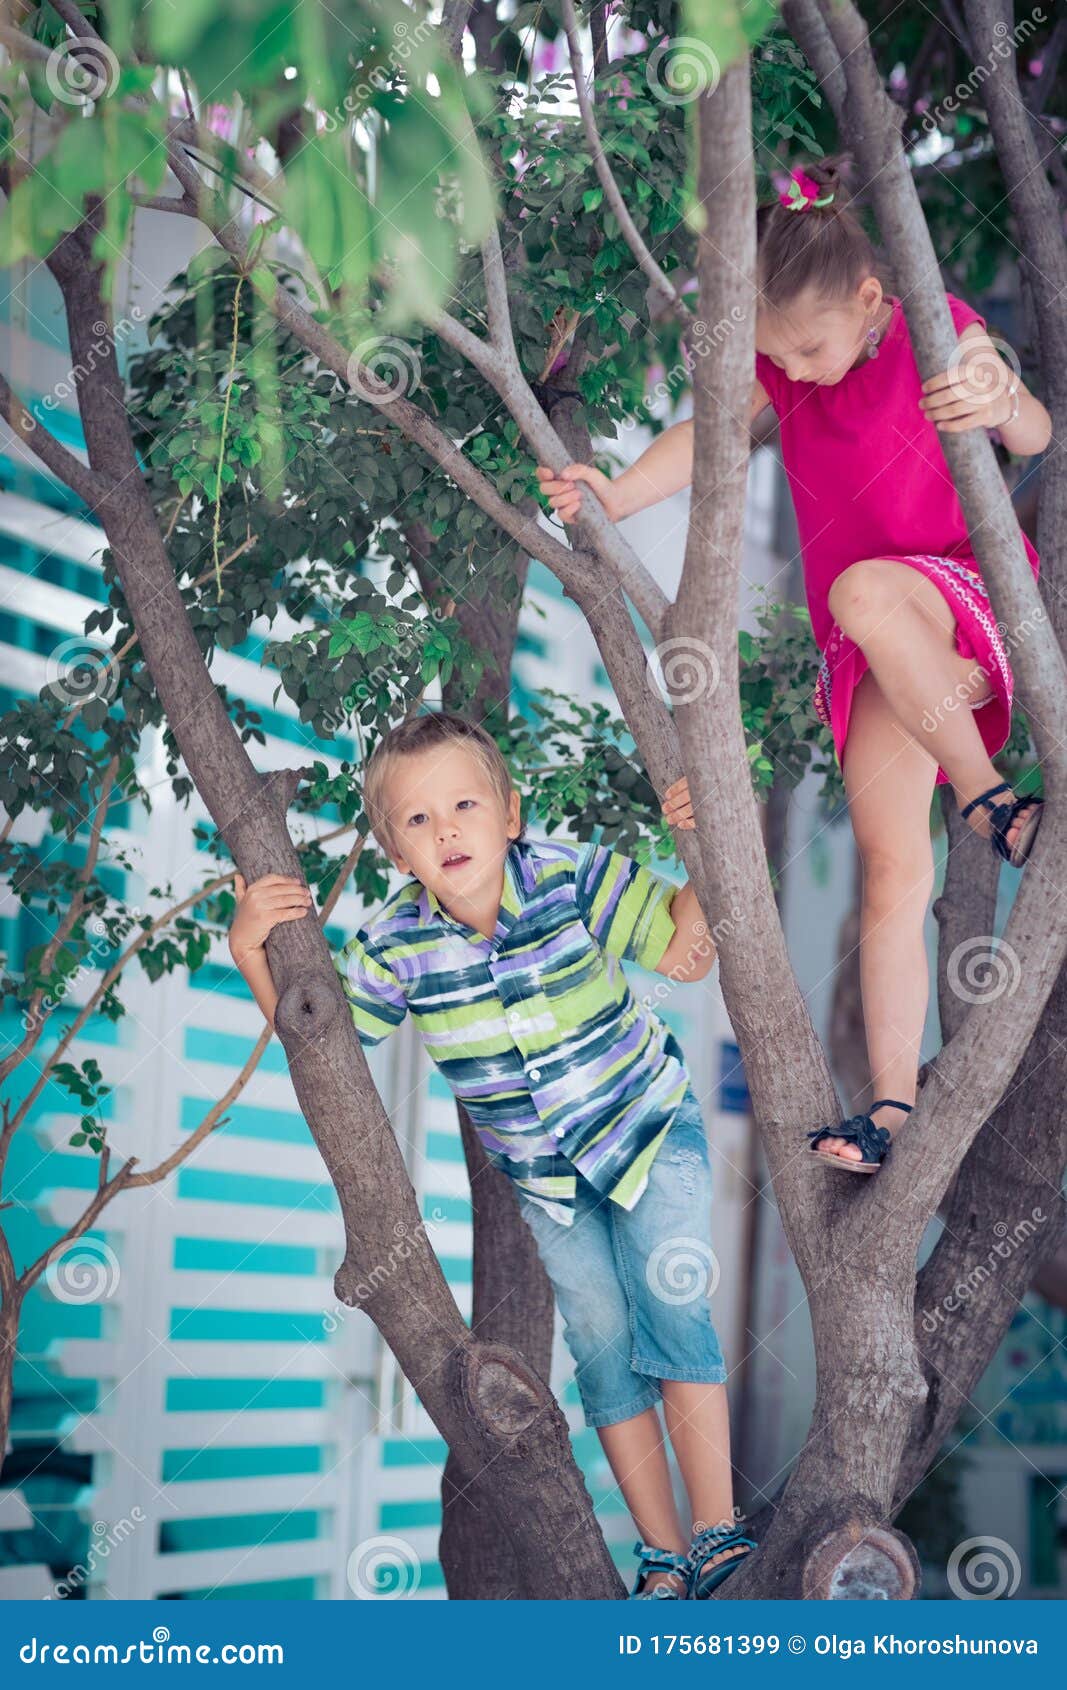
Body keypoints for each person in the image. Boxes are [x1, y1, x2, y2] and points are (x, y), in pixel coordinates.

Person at [536, 155, 1051, 1178]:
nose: (803, 370)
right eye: (782, 356)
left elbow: (1031, 431)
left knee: (861, 589)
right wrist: (613, 496)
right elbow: (706, 436)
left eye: (812, 346)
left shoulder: (933, 325)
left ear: (869, 299)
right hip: (881, 659)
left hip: (961, 606)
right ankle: (891, 1110)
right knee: (892, 873)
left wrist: (996, 397)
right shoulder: (786, 369)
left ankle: (992, 803)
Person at [228, 709, 755, 1598]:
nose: (446, 831)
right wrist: (250, 949)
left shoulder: (568, 876)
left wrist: (704, 845)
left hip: (645, 1131)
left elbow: (682, 951)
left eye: (464, 805)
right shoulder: (395, 943)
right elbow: (328, 1050)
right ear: (397, 854)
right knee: (600, 1345)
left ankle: (717, 1533)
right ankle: (663, 1555)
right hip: (548, 1184)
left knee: (673, 1313)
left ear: (509, 814)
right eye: (418, 821)